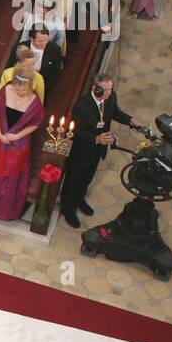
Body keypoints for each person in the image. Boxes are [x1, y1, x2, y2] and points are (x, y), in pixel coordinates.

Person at [61, 74, 138, 228]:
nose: (109, 93)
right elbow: (77, 132)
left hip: (98, 149)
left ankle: (79, 199)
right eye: (106, 90)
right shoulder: (82, 106)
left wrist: (130, 121)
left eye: (111, 88)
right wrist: (96, 139)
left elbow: (115, 113)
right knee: (72, 179)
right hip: (81, 150)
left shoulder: (111, 97)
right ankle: (67, 208)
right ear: (95, 89)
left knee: (87, 177)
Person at [0, 72, 44, 220]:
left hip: (18, 142)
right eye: (18, 89)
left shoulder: (35, 101)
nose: (21, 92)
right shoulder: (6, 90)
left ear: (30, 87)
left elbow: (35, 124)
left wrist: (17, 135)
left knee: (7, 177)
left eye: (24, 90)